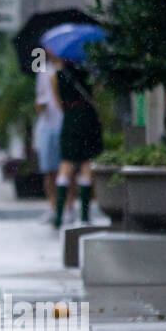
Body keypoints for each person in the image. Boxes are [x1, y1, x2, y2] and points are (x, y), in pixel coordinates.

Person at [51, 58, 103, 230]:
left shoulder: (56, 76)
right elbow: (98, 92)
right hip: (88, 118)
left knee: (66, 164)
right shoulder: (88, 74)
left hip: (69, 118)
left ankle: (59, 215)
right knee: (86, 164)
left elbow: (58, 102)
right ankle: (84, 216)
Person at [34, 54, 63, 222]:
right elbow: (39, 96)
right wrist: (39, 104)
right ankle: (52, 206)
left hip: (63, 123)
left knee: (64, 169)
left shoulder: (68, 69)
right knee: (48, 170)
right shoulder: (42, 69)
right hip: (46, 125)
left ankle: (66, 207)